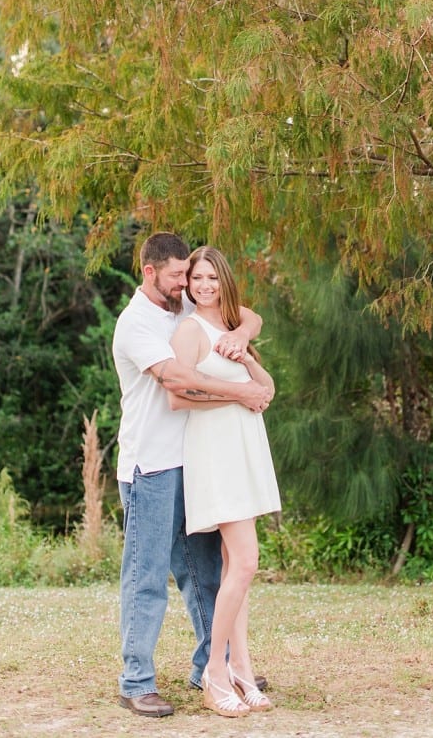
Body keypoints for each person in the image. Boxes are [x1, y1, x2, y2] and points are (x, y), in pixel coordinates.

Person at [112, 232, 271, 718]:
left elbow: (241, 312)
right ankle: (136, 681)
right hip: (150, 465)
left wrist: (243, 335)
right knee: (147, 576)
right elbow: (178, 382)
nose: (185, 282)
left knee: (205, 572)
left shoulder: (179, 307)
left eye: (189, 274)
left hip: (194, 462)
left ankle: (212, 664)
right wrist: (239, 392)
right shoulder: (135, 323)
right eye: (178, 274)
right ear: (150, 272)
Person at [169, 246, 281, 718]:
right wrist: (237, 398)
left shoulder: (232, 327)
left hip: (245, 452)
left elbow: (266, 389)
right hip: (215, 456)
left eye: (212, 277)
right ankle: (216, 669)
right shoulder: (189, 330)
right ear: (188, 283)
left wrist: (244, 349)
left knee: (238, 566)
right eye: (197, 277)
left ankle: (242, 666)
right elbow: (178, 397)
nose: (205, 285)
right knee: (247, 562)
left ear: (224, 281)